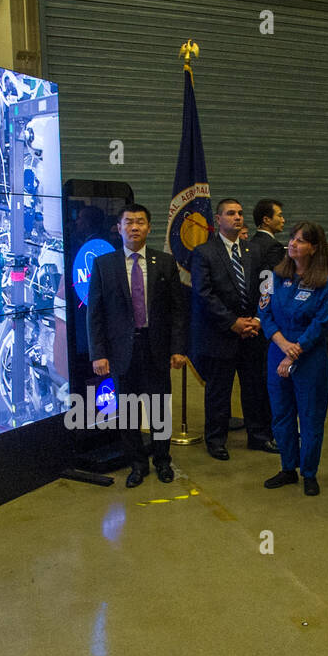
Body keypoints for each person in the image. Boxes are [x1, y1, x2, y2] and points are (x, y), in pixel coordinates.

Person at [88, 204, 188, 488]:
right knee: (128, 411)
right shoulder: (104, 265)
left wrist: (178, 347)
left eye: (140, 222)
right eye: (129, 222)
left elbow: (177, 310)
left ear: (149, 227)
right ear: (118, 228)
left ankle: (162, 461)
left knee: (159, 409)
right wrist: (99, 353)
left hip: (156, 348)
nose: (134, 227)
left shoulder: (165, 262)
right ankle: (137, 464)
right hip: (121, 352)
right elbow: (94, 313)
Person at [190, 198, 278, 460]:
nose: (237, 218)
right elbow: (203, 294)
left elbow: (267, 286)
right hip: (220, 334)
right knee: (219, 391)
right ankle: (216, 440)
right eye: (231, 214)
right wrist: (233, 322)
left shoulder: (254, 251)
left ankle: (259, 436)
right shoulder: (204, 253)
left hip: (252, 333)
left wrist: (258, 320)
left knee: (255, 388)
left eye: (240, 213)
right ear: (218, 219)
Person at [259, 222, 328, 495]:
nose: (293, 244)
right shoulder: (273, 277)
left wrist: (297, 349)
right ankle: (287, 467)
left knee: (310, 416)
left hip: (309, 358)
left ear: (314, 248)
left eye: (301, 241)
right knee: (281, 414)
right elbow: (265, 315)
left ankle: (309, 472)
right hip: (278, 351)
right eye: (292, 238)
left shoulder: (324, 283)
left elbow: (323, 321)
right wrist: (282, 344)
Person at [250, 199, 286, 273]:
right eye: (280, 215)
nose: (283, 220)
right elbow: (276, 277)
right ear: (266, 220)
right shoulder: (274, 246)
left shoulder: (251, 243)